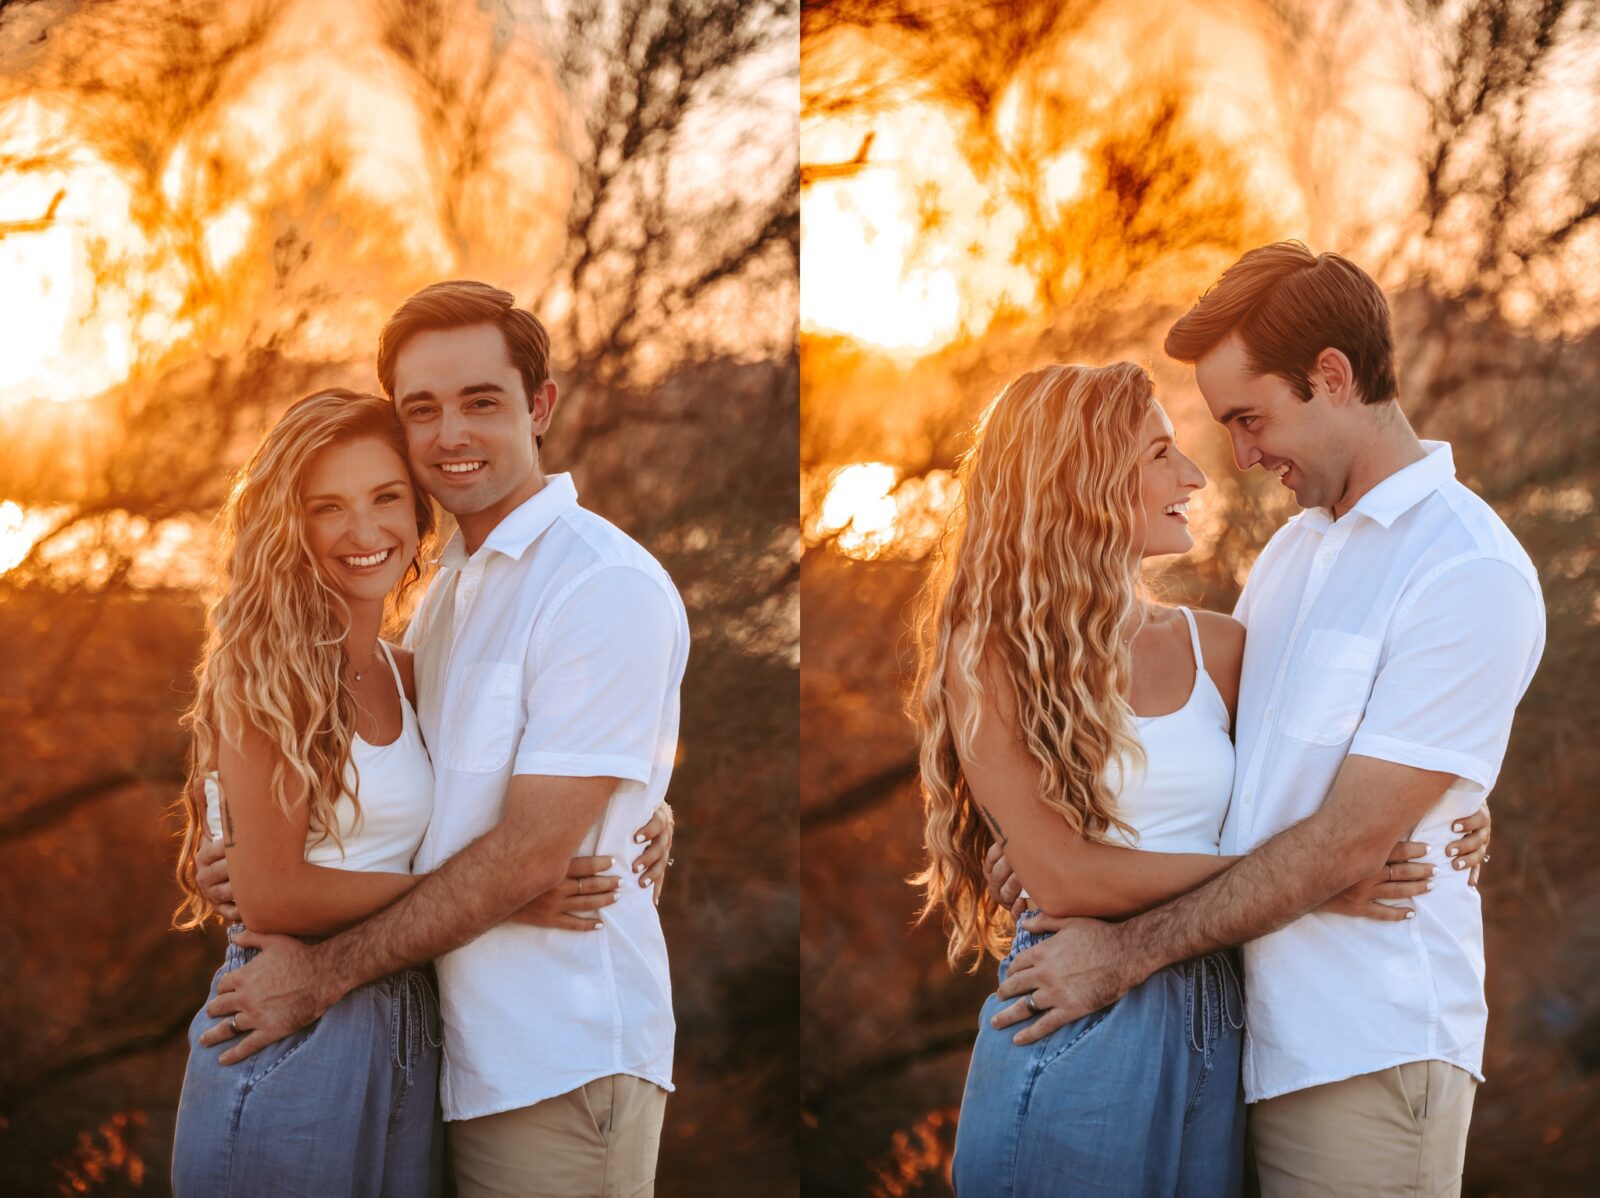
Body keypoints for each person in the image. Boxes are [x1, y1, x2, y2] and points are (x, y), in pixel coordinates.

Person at [985, 244, 1544, 1196]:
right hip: (1239, 1036)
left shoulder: (1467, 571)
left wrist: (1121, 950)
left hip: (1363, 1045)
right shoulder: (1293, 554)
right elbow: (1238, 775)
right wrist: (1054, 841)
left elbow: (1341, 843)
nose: (1238, 457)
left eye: (1251, 419)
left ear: (1331, 377)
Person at [196, 282, 690, 1198]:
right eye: (422, 409)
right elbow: (421, 810)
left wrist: (636, 812)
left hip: (557, 1052)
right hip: (428, 1051)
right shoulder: (445, 608)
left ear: (539, 408)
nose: (451, 433)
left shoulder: (598, 584)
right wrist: (234, 863)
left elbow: (535, 847)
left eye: (481, 402)